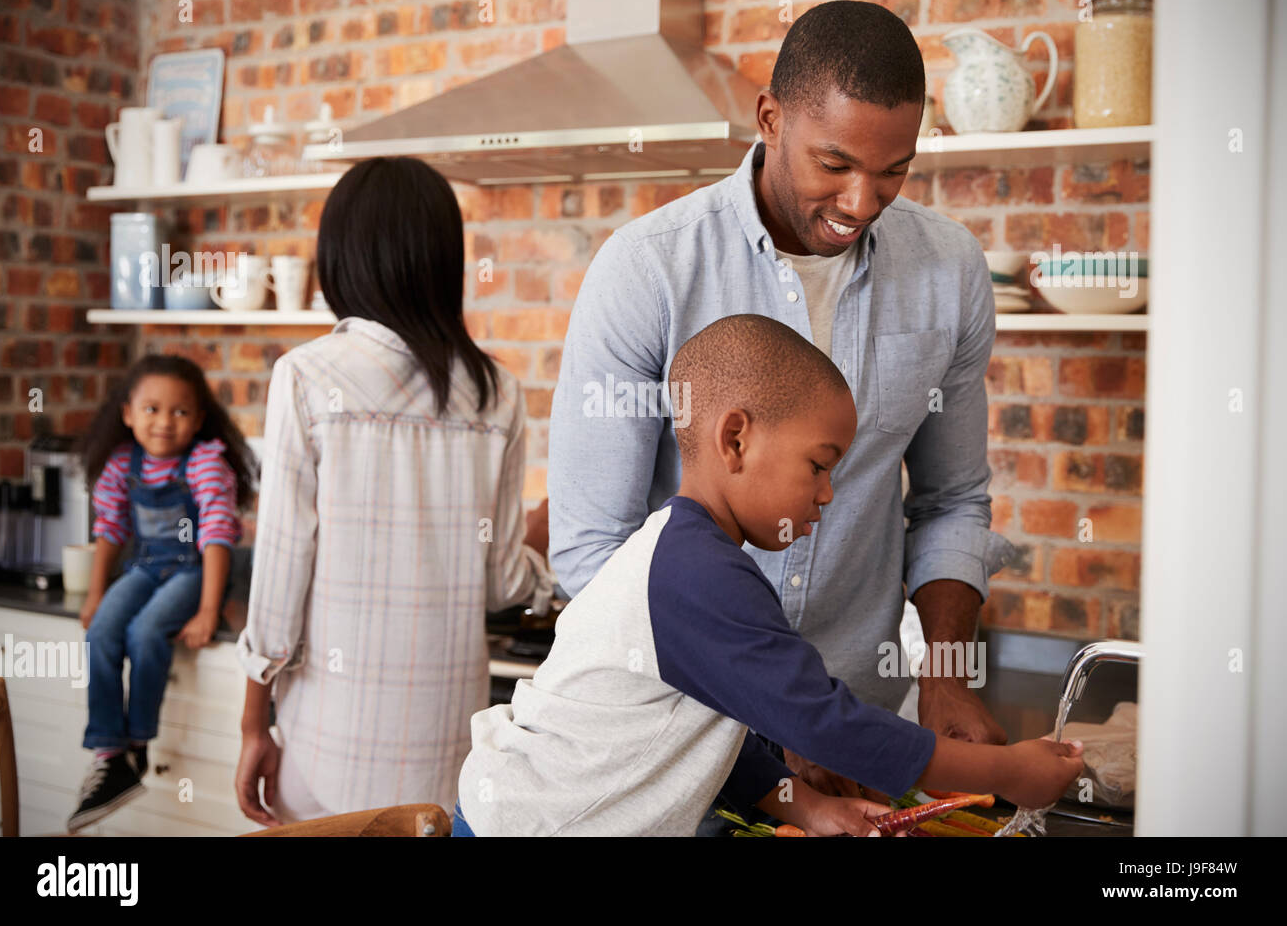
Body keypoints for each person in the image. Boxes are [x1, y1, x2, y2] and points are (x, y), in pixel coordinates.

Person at [547, 1, 1016, 816]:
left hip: (861, 734)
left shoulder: (951, 271)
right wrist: (768, 718)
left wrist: (944, 677)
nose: (863, 201)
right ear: (769, 118)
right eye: (833, 163)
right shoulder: (647, 272)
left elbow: (951, 502)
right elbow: (597, 555)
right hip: (682, 754)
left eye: (894, 170)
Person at [455, 316, 1083, 836]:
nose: (828, 493)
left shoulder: (691, 557)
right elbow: (826, 724)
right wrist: (1006, 772)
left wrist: (811, 806)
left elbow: (696, 741)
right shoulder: (697, 576)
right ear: (736, 440)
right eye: (818, 464)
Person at [234, 156, 554, 827]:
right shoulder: (497, 393)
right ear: (442, 261)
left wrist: (252, 729)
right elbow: (502, 585)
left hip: (325, 746)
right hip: (444, 755)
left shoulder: (306, 377)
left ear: (340, 258)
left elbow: (278, 584)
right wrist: (546, 543)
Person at [69, 354, 253, 832]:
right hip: (146, 567)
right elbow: (109, 529)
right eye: (151, 409)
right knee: (104, 631)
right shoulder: (120, 464)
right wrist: (95, 594)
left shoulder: (205, 463)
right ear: (128, 413)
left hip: (193, 571)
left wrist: (208, 609)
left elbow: (215, 537)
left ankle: (138, 746)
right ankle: (110, 750)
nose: (164, 422)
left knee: (146, 631)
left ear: (199, 418)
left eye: (179, 411)